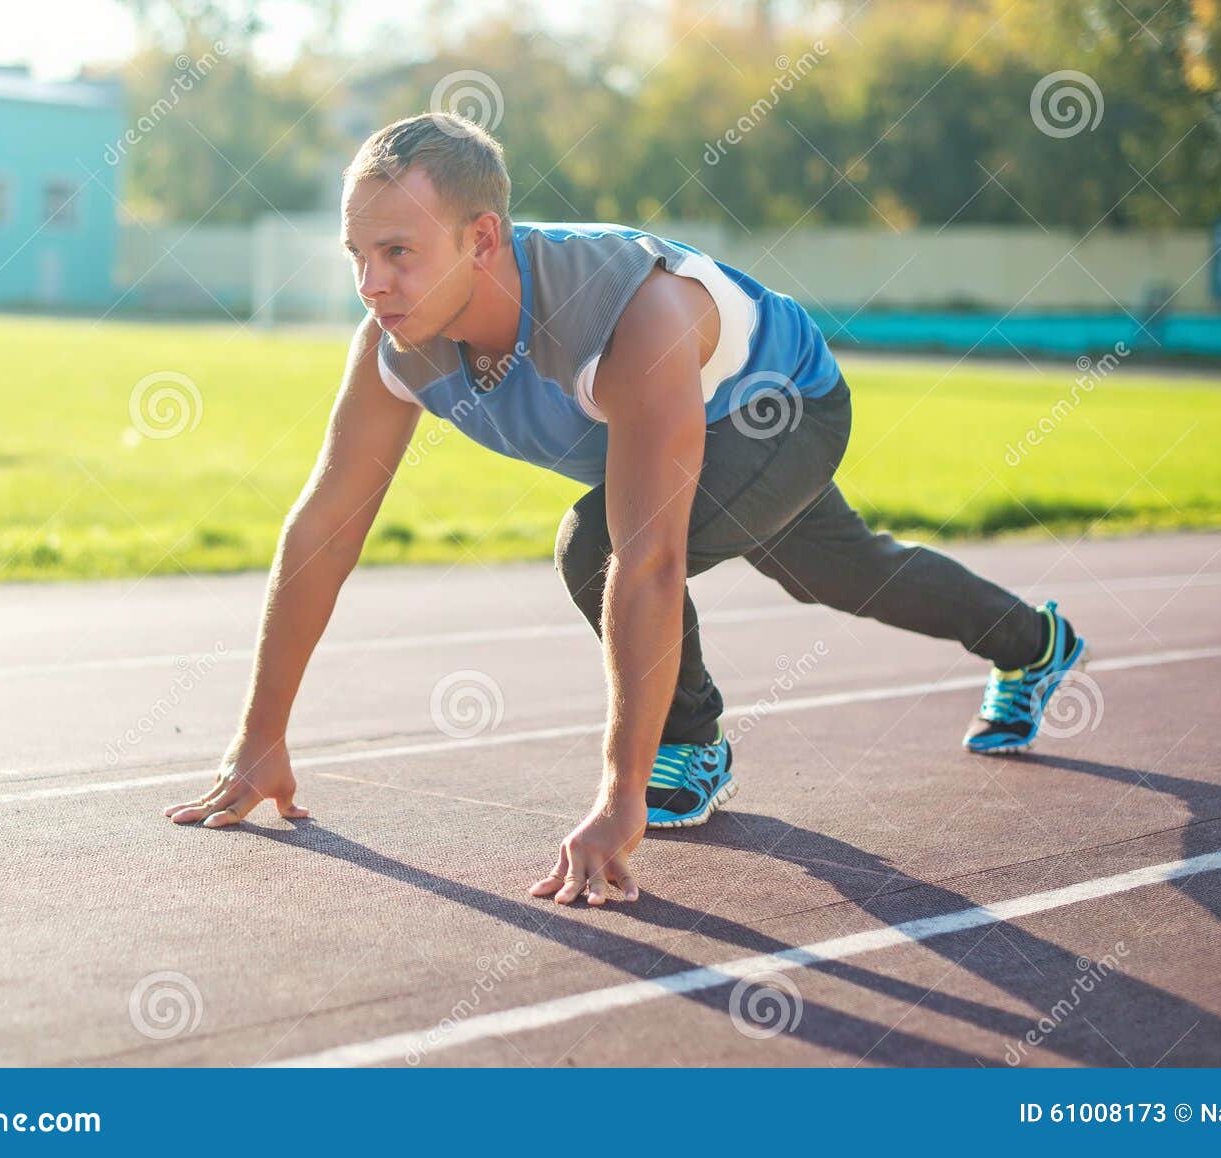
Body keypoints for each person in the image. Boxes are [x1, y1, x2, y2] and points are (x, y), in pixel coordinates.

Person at [163, 112, 1090, 905]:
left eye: (398, 252)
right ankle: (1034, 642)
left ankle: (693, 747)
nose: (371, 284)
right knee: (842, 570)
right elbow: (323, 529)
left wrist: (620, 795)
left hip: (783, 409)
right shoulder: (393, 345)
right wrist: (260, 735)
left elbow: (648, 558)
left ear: (481, 239)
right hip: (686, 425)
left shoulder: (627, 314)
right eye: (358, 256)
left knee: (597, 546)